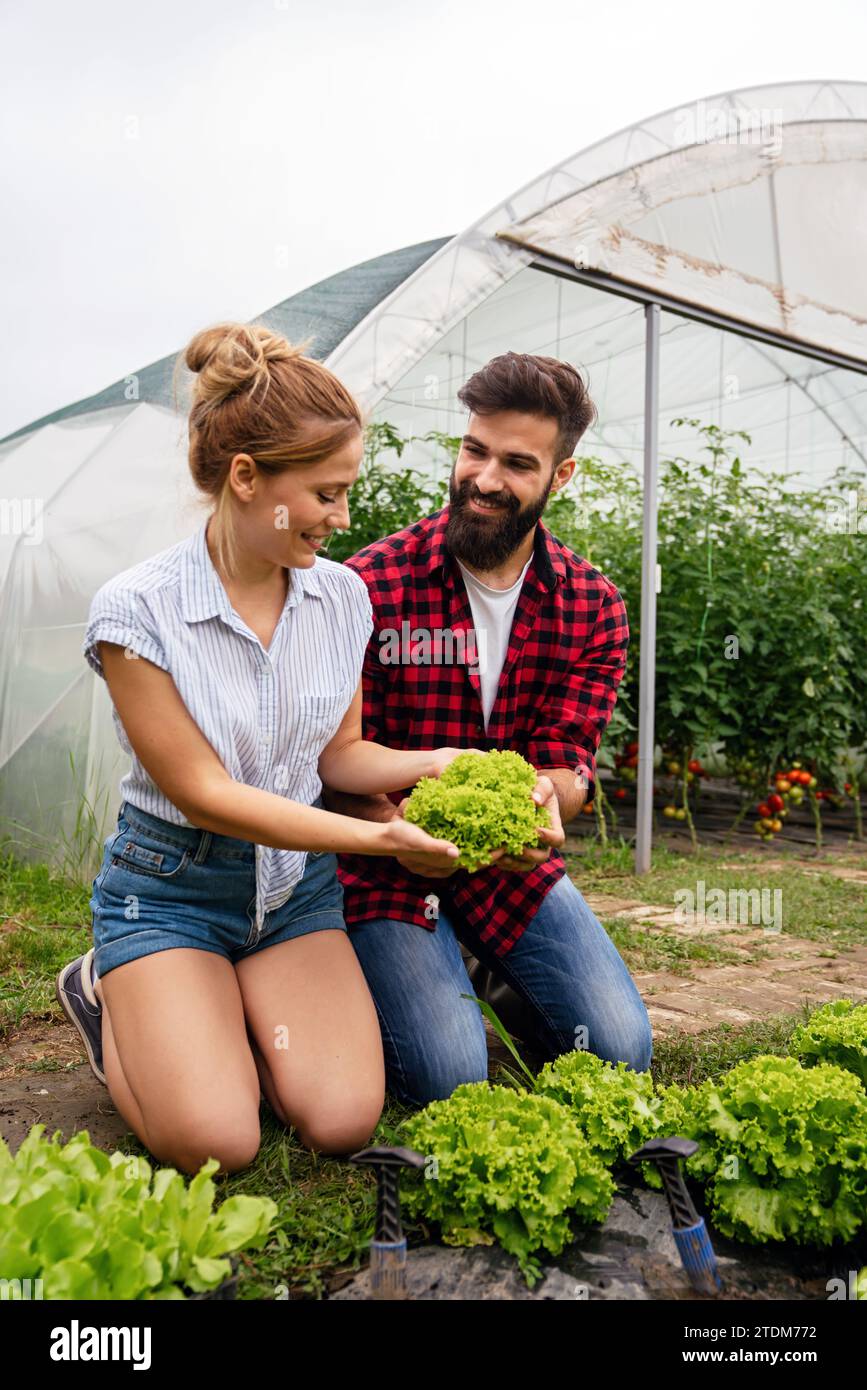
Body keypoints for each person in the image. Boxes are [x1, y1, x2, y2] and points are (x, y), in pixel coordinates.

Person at [56, 323, 557, 1175]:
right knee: (219, 1142)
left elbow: (342, 761)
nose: (343, 516)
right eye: (326, 494)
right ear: (247, 479)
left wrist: (448, 764)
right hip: (174, 886)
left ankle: (218, 1010)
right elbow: (206, 792)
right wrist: (380, 839)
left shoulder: (341, 600)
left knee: (341, 1120)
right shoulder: (136, 613)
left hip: (292, 895)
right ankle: (109, 988)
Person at [324, 351, 653, 1105]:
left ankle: (481, 968)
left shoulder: (591, 606)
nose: (483, 479)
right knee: (446, 1077)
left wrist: (543, 802)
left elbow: (568, 764)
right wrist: (395, 827)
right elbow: (332, 764)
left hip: (510, 868)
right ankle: (416, 975)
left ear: (559, 477)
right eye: (474, 450)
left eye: (515, 463)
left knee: (620, 1051)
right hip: (385, 862)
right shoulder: (370, 584)